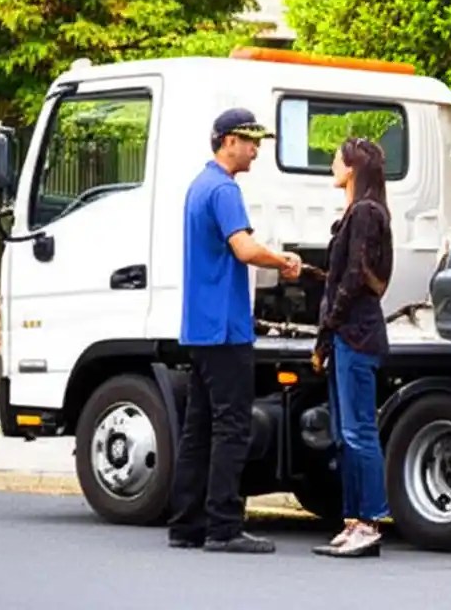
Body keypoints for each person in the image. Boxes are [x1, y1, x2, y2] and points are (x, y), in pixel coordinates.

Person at [168, 107, 301, 554]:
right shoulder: (224, 190)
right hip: (226, 330)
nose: (256, 150)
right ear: (228, 141)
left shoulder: (197, 186)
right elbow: (243, 249)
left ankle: (186, 524)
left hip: (199, 329)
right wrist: (283, 262)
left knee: (197, 428)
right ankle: (224, 526)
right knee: (232, 427)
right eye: (250, 141)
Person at [311, 137, 395, 558]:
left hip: (355, 334)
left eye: (336, 158)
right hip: (349, 334)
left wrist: (327, 329)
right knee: (347, 434)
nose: (331, 164)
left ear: (352, 167)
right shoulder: (361, 211)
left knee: (359, 431)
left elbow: (353, 279)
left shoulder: (364, 212)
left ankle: (370, 520)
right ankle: (352, 520)